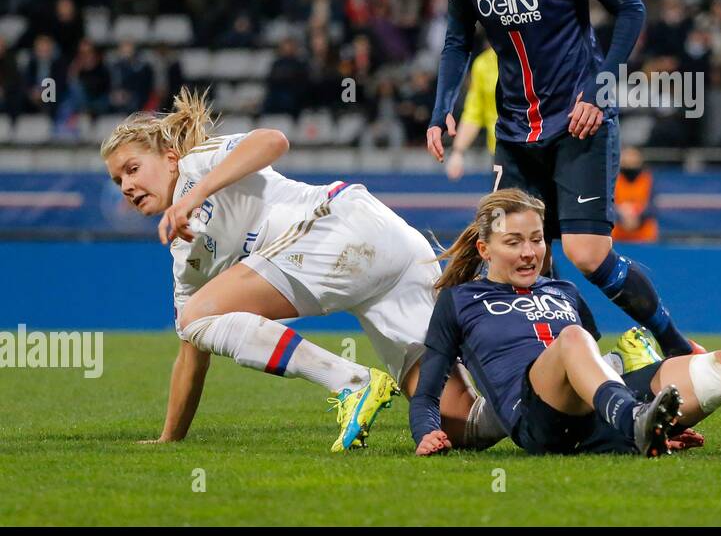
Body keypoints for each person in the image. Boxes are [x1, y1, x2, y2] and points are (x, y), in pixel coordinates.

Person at [101, 87, 503, 453]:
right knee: (463, 426)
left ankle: (351, 382)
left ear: (170, 159)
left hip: (340, 227)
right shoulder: (185, 258)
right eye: (118, 179)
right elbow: (193, 351)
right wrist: (170, 438)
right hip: (388, 254)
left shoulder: (197, 165)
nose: (125, 186)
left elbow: (273, 141)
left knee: (196, 317)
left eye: (132, 169)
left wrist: (197, 195)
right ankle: (546, 397)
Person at [426, 0, 695, 357]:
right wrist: (442, 111)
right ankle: (579, 361)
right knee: (519, 257)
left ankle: (677, 345)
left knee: (587, 253)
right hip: (514, 132)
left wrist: (598, 89)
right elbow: (458, 38)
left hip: (578, 123)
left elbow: (630, 7)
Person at [409, 190, 721, 458]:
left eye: (537, 239)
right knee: (572, 340)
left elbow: (597, 366)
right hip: (535, 418)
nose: (529, 252)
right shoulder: (460, 301)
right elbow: (429, 391)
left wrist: (651, 414)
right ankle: (636, 422)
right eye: (514, 242)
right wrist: (427, 432)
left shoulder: (562, 290)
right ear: (484, 248)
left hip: (600, 417)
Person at [445, 45, 497, 181]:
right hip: (501, 151)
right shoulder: (483, 64)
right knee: (504, 202)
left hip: (540, 148)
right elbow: (474, 113)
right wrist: (458, 152)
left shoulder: (538, 55)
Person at [611, 146, 658, 242]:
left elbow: (653, 207)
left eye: (633, 156)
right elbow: (607, 205)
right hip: (617, 236)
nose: (630, 159)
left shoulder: (648, 179)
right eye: (627, 156)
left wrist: (638, 218)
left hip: (645, 236)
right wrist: (621, 217)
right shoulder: (612, 180)